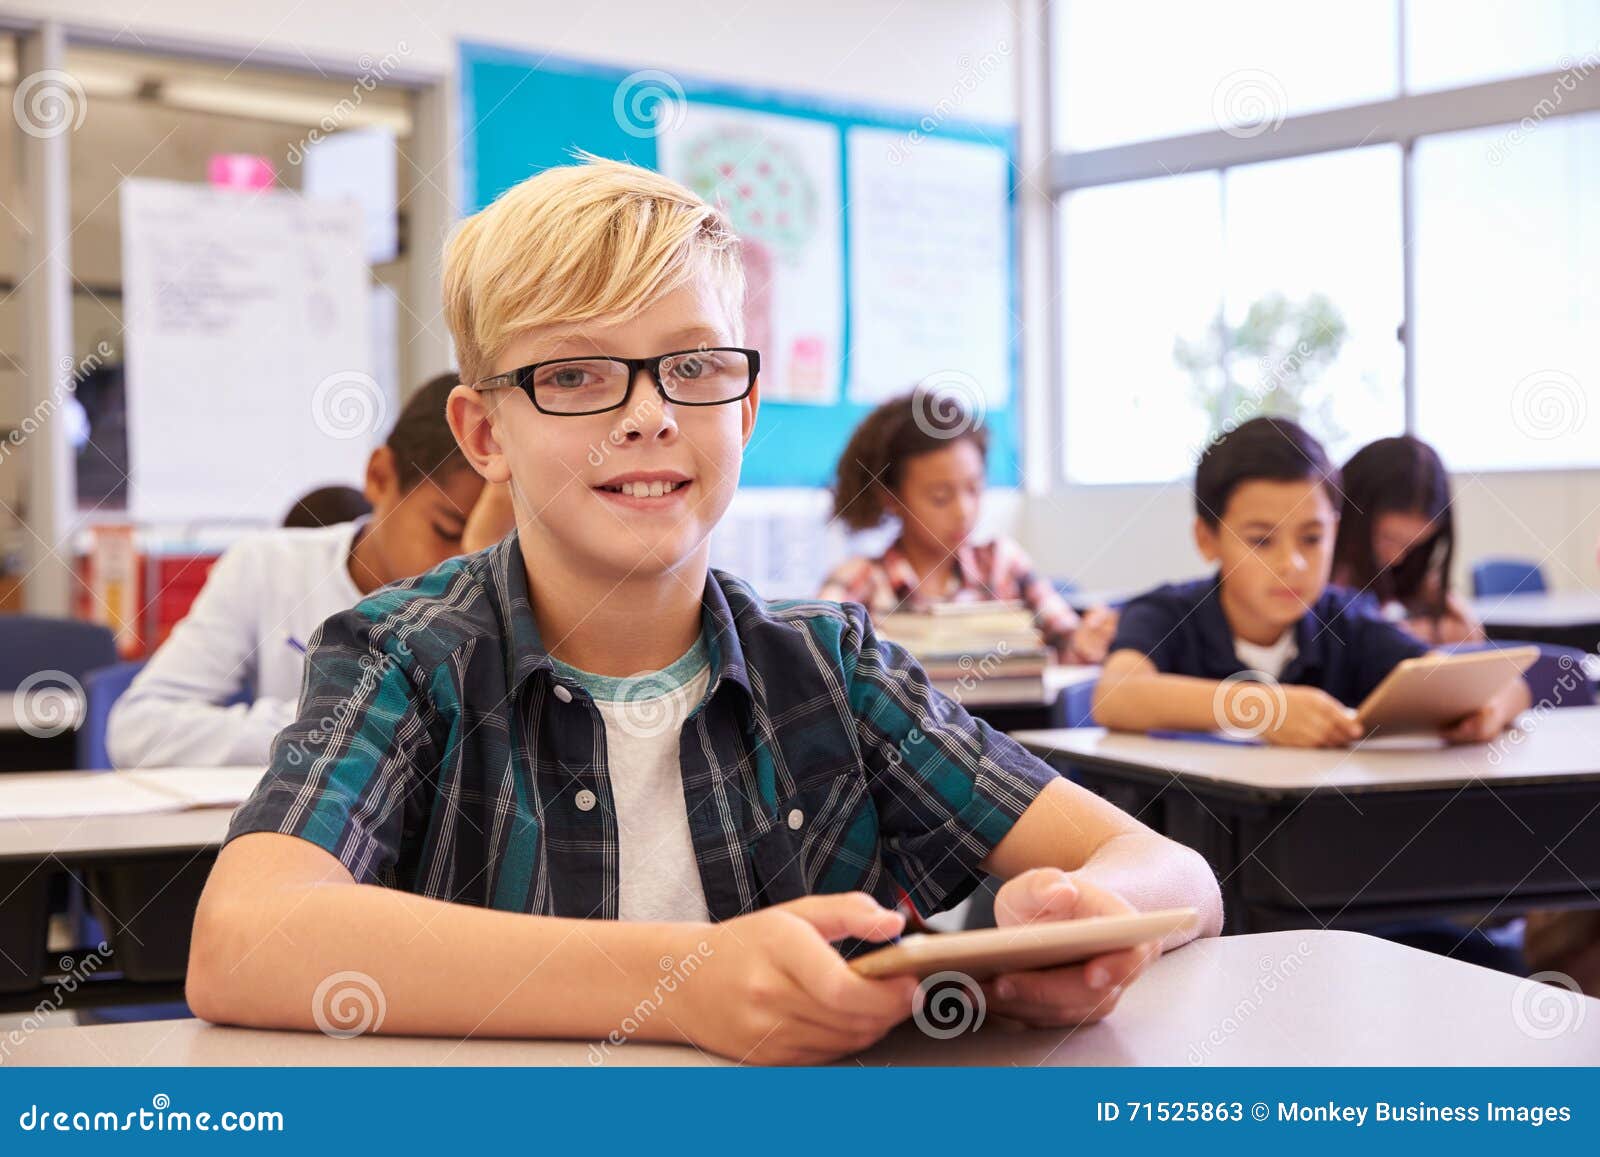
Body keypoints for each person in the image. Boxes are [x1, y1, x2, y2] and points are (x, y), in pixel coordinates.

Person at [187, 157, 1222, 1065]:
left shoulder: (828, 665)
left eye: (692, 367)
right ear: (484, 432)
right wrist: (684, 980)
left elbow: (1175, 869)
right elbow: (244, 937)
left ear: (746, 405)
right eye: (577, 374)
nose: (647, 414)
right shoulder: (402, 654)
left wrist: (1092, 919)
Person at [107, 374, 487, 768]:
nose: (466, 564)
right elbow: (138, 730)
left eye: (492, 543)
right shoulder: (269, 567)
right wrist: (327, 723)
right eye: (449, 531)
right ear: (380, 477)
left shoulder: (504, 594)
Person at [1093, 417, 1529, 747]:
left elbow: (1505, 686)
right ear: (1207, 540)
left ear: (1336, 532)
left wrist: (1492, 706)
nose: (1292, 563)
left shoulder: (1348, 622)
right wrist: (1265, 710)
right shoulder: (1165, 614)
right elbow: (1116, 694)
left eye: (1313, 538)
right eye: (1261, 541)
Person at [819, 391, 1117, 663]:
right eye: (940, 497)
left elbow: (1066, 639)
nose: (963, 511)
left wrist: (1088, 639)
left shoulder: (1002, 564)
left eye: (974, 489)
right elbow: (816, 659)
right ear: (892, 499)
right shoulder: (859, 580)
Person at [1331, 434, 1482, 644]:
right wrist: (1428, 633)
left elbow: (1470, 631)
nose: (1396, 558)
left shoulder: (1410, 571)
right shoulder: (1323, 568)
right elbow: (1343, 640)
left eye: (1411, 546)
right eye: (1387, 539)